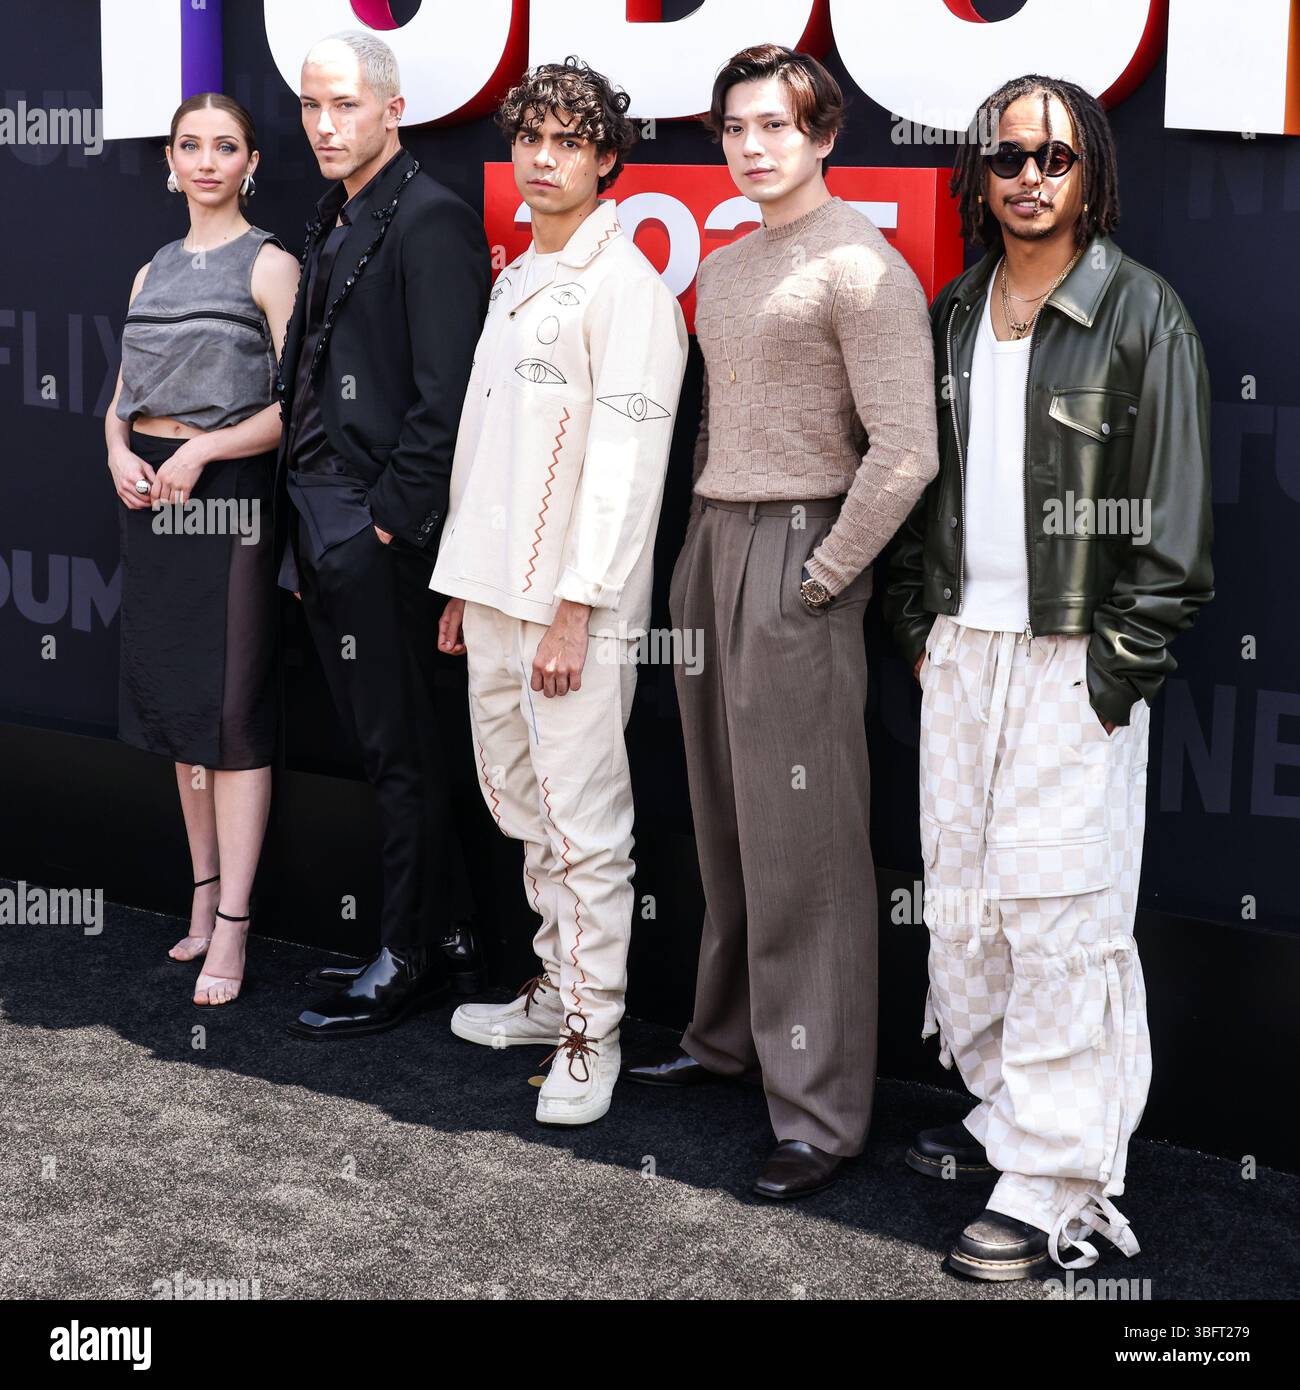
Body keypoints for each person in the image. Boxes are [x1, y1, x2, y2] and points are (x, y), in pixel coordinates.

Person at [884, 75, 1214, 1280]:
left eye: (1054, 157)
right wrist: (922, 628)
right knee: (965, 902)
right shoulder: (954, 311)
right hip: (962, 655)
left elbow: (1174, 538)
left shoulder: (1141, 315)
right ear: (981, 172)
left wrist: (1111, 672)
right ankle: (1004, 1111)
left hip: (1074, 659)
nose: (1030, 175)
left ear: (1091, 175)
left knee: (1061, 914)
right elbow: (918, 489)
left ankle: (1054, 1179)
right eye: (1008, 155)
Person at [623, 45, 939, 1197]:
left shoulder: (865, 267)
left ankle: (817, 1113)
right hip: (714, 549)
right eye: (734, 128)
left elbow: (905, 450)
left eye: (774, 125)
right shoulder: (725, 266)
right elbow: (717, 425)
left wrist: (822, 578)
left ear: (822, 134)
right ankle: (725, 1042)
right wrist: (701, 551)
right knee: (723, 820)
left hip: (799, 556)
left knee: (804, 847)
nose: (752, 146)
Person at [434, 58, 687, 1125]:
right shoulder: (517, 272)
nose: (543, 158)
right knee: (519, 805)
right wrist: (458, 583)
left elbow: (627, 467)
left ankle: (595, 1029)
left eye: (567, 142)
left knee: (585, 825)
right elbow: (485, 445)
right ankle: (552, 993)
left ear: (606, 160)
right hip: (489, 593)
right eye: (529, 138)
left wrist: (577, 604)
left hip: (568, 609)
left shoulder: (626, 287)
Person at [277, 31, 490, 1040]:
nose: (325, 124)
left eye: (346, 106)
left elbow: (445, 406)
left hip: (374, 536)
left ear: (392, 108)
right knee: (381, 747)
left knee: (405, 755)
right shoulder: (335, 211)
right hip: (314, 519)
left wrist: (384, 528)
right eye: (313, 105)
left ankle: (405, 955)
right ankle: (437, 937)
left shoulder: (433, 221)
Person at [106, 93, 299, 1007]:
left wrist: (204, 450)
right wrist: (117, 450)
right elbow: (121, 394)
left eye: (227, 146)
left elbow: (298, 408)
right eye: (192, 146)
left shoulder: (271, 266)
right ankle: (201, 898)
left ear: (251, 162)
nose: (208, 160)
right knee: (182, 715)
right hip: (151, 499)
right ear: (170, 162)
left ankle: (235, 929)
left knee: (229, 717)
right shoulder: (150, 271)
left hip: (224, 500)